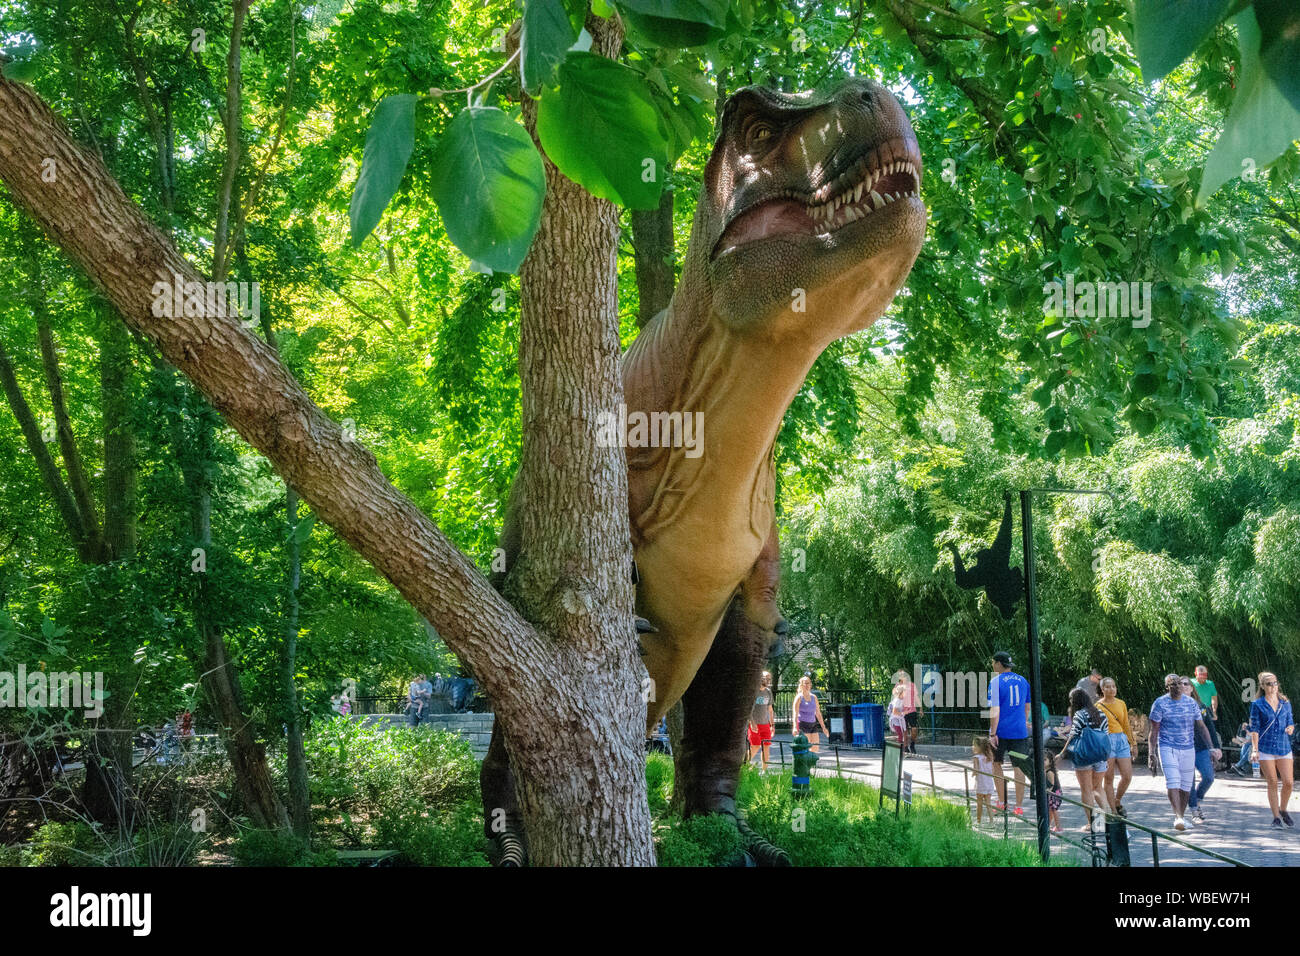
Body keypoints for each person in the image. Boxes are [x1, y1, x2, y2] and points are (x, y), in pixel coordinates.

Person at [1149, 672, 1219, 832]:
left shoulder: (1191, 703)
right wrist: (1151, 753)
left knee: (1186, 786)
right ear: (1167, 687)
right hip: (1167, 746)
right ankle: (1178, 817)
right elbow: (1154, 730)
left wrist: (1211, 747)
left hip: (1188, 747)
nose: (1176, 687)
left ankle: (1180, 815)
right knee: (1173, 781)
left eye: (1178, 683)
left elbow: (1202, 726)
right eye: (1172, 684)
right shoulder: (1160, 703)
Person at [1060, 688, 1113, 832]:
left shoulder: (1079, 714)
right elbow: (1106, 734)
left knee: (1087, 790)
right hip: (1101, 755)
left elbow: (1073, 734)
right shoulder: (1101, 713)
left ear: (1076, 701)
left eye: (1071, 700)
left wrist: (1061, 753)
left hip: (1084, 756)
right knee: (1098, 787)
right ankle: (1108, 818)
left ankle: (1093, 825)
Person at [987, 651, 1032, 816]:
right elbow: (1027, 708)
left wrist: (993, 733)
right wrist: (1022, 721)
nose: (992, 665)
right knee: (1018, 767)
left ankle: (1001, 802)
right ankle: (1018, 806)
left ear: (999, 663)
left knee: (996, 764)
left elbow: (995, 710)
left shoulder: (995, 682)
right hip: (1019, 731)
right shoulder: (1023, 681)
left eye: (993, 662)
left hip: (1001, 732)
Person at [1249, 671, 1294, 828]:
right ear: (1262, 686)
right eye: (1269, 684)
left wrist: (1290, 728)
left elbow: (1291, 721)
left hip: (1283, 746)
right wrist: (1255, 749)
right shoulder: (1257, 704)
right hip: (1265, 747)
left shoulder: (1285, 702)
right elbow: (1254, 728)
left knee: (1288, 782)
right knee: (1272, 782)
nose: (1273, 686)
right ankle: (1276, 817)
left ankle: (1283, 809)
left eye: (1275, 683)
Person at [1184, 676, 1222, 824]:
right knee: (1190, 780)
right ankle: (1194, 810)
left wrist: (1215, 747)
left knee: (1208, 777)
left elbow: (1210, 729)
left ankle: (1198, 800)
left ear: (1192, 688)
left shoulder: (1201, 706)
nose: (1184, 687)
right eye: (1181, 685)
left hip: (1201, 747)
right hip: (1185, 748)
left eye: (1187, 684)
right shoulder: (1174, 706)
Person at [1096, 677, 1135, 816]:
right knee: (1109, 777)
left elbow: (1125, 724)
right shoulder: (1098, 706)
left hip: (1121, 739)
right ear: (1102, 689)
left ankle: (1117, 800)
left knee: (1127, 775)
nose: (1111, 689)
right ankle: (1112, 810)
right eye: (1108, 687)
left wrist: (1133, 742)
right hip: (1107, 741)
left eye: (1113, 686)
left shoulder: (1121, 703)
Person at [792, 675, 829, 753]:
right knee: (805, 748)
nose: (807, 685)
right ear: (801, 685)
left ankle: (812, 765)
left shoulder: (814, 697)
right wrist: (795, 727)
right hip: (803, 725)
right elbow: (795, 714)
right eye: (805, 683)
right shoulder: (799, 697)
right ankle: (805, 765)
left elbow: (818, 713)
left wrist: (823, 727)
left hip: (813, 724)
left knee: (815, 748)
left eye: (809, 683)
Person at [747, 671, 775, 772]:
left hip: (765, 724)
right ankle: (744, 765)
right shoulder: (753, 691)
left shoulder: (768, 691)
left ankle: (764, 772)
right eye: (765, 678)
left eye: (769, 679)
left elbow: (770, 710)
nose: (767, 680)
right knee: (755, 746)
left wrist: (772, 725)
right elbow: (748, 709)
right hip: (755, 724)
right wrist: (752, 723)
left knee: (766, 747)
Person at [896, 669, 922, 755]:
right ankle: (905, 747)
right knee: (905, 730)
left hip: (912, 710)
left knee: (914, 729)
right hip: (902, 711)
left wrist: (921, 708)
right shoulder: (897, 686)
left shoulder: (912, 685)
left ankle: (912, 744)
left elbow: (916, 697)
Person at [971, 737, 996, 825]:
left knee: (979, 803)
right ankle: (991, 821)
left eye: (974, 745)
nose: (972, 747)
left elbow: (976, 770)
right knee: (988, 803)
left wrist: (973, 774)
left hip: (981, 782)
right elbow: (992, 771)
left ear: (979, 747)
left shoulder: (976, 758)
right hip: (989, 782)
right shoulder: (989, 757)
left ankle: (978, 821)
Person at [1192, 665, 1219, 741]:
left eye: (1205, 675)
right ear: (1196, 674)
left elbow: (1214, 699)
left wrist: (1214, 712)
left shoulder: (1210, 684)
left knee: (1210, 729)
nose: (1203, 677)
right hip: (1194, 709)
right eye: (1201, 675)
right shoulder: (1190, 683)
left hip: (1206, 709)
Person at [1045, 753, 1063, 834]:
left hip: (1054, 793)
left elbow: (1051, 784)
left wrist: (1048, 791)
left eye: (1045, 760)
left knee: (1053, 809)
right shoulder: (1046, 770)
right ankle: (1048, 825)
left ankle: (1058, 826)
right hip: (1053, 793)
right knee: (1051, 810)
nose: (1043, 762)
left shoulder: (1050, 772)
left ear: (1050, 761)